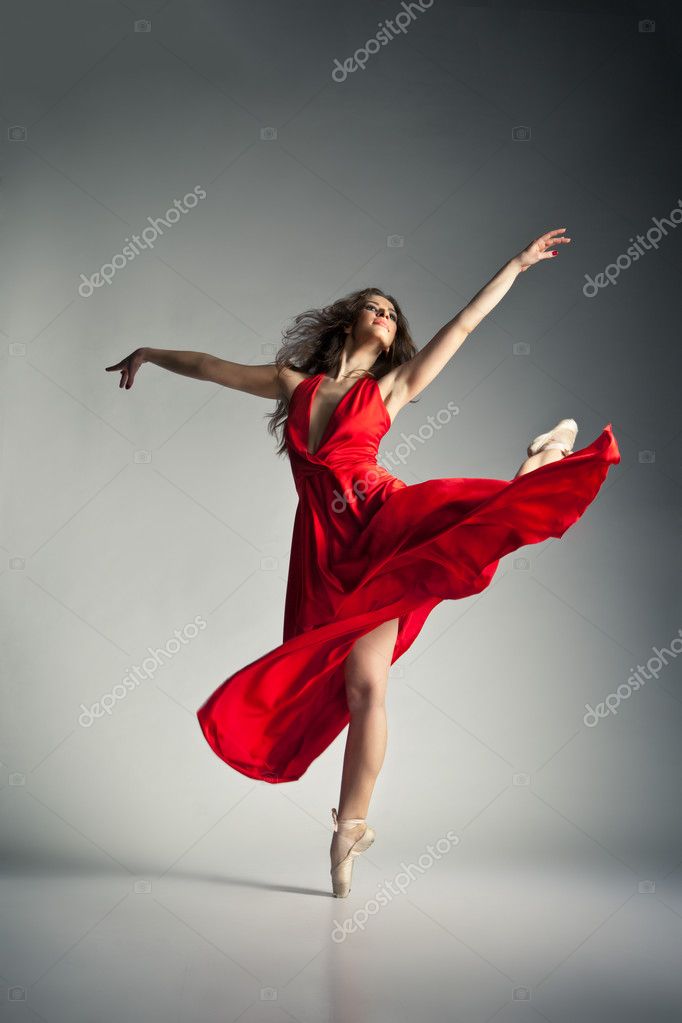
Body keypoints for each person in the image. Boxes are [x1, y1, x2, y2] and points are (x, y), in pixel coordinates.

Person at [106, 227, 620, 898]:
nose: (387, 316)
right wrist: (150, 352)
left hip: (384, 522)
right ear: (349, 319)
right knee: (354, 685)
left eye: (393, 314)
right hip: (323, 553)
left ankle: (546, 461)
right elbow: (210, 365)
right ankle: (348, 829)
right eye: (375, 306)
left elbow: (463, 325)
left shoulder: (392, 387)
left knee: (446, 568)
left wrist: (517, 265)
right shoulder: (290, 383)